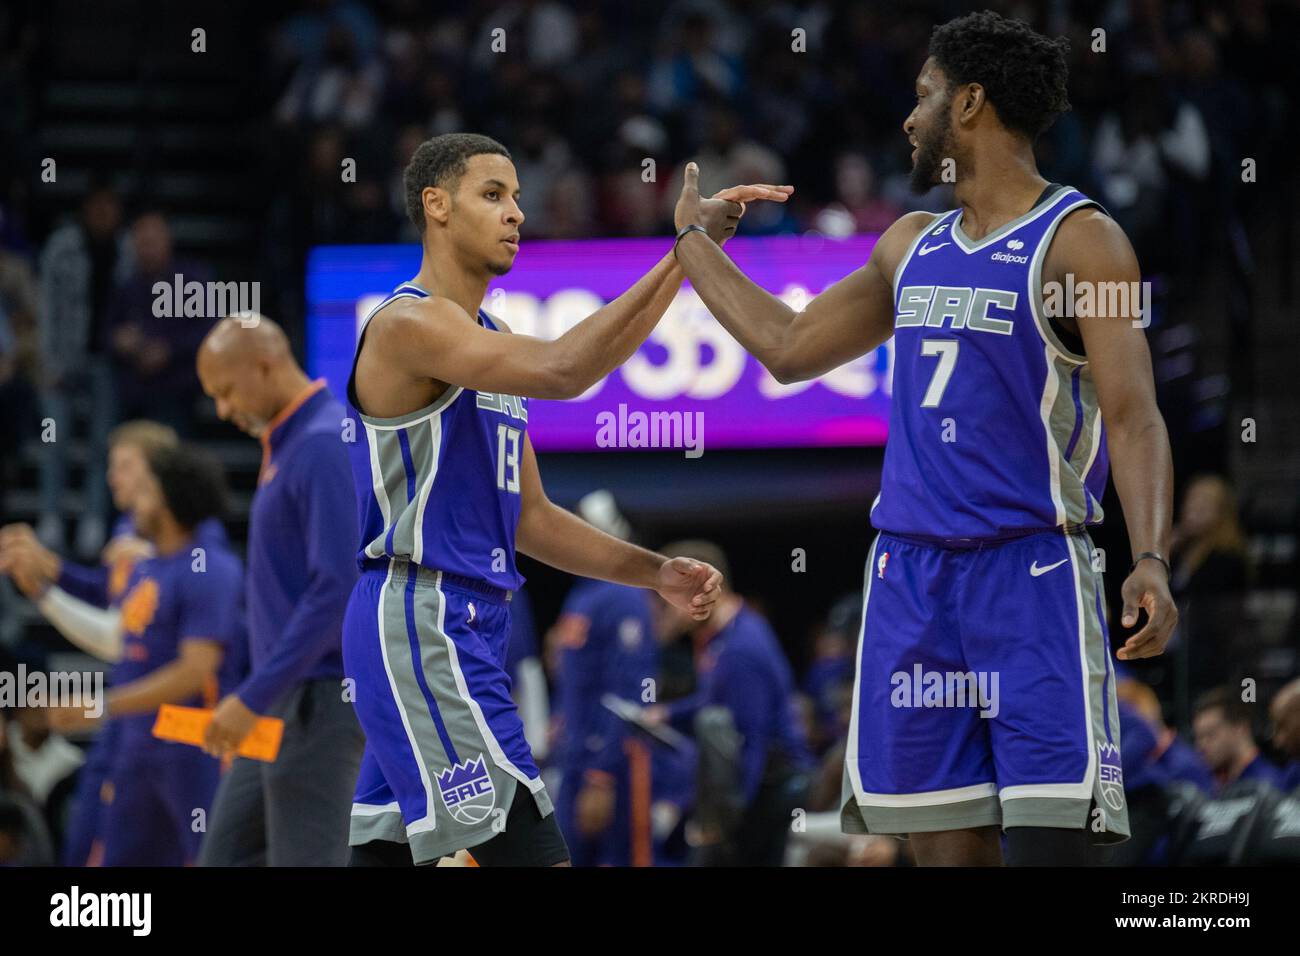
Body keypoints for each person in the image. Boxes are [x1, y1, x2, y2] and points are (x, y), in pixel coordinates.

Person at [670, 10, 1179, 865]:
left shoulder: (1086, 243)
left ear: (970, 103)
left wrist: (1153, 556)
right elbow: (790, 350)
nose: (910, 119)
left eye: (924, 95)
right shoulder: (909, 245)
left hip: (1033, 572)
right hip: (911, 576)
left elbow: (1136, 415)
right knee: (943, 853)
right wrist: (694, 242)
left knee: (1056, 849)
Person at [343, 132, 784, 867]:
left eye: (517, 196)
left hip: (464, 624)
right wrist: (684, 250)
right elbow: (566, 369)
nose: (516, 212)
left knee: (391, 857)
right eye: (493, 195)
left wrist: (653, 572)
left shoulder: (493, 336)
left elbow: (531, 517)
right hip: (422, 621)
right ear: (436, 205)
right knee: (531, 854)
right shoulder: (408, 325)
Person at [6, 444, 245, 865]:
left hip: (191, 746)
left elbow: (196, 670)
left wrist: (102, 706)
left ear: (168, 499)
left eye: (146, 490)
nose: (135, 500)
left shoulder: (210, 569)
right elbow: (117, 637)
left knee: (208, 859)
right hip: (136, 744)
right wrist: (43, 584)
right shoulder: (148, 568)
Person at [194, 314, 365, 866]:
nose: (222, 410)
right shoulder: (288, 443)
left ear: (263, 366)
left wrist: (251, 693)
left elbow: (337, 587)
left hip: (317, 699)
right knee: (224, 857)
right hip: (279, 700)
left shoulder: (319, 443)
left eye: (225, 392)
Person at [645, 540, 813, 867]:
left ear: (698, 589)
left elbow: (752, 739)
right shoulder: (725, 638)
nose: (662, 611)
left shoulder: (740, 649)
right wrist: (667, 714)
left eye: (667, 600)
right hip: (758, 789)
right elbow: (718, 705)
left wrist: (724, 827)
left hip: (769, 794)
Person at [549, 491, 659, 867]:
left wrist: (601, 777)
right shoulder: (582, 594)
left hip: (611, 764)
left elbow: (629, 693)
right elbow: (578, 679)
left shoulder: (625, 597)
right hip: (573, 756)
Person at [36, 179, 134, 555]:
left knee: (102, 444)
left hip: (107, 361)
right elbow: (46, 305)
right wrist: (48, 360)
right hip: (63, 359)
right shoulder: (62, 247)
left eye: (111, 207)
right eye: (98, 206)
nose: (104, 214)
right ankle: (51, 516)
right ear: (85, 209)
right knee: (53, 438)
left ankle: (93, 519)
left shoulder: (126, 251)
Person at [1192, 686, 1287, 793]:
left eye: (1211, 734)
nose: (1201, 746)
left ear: (1240, 728)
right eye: (1199, 737)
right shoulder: (1215, 784)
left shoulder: (1268, 784)